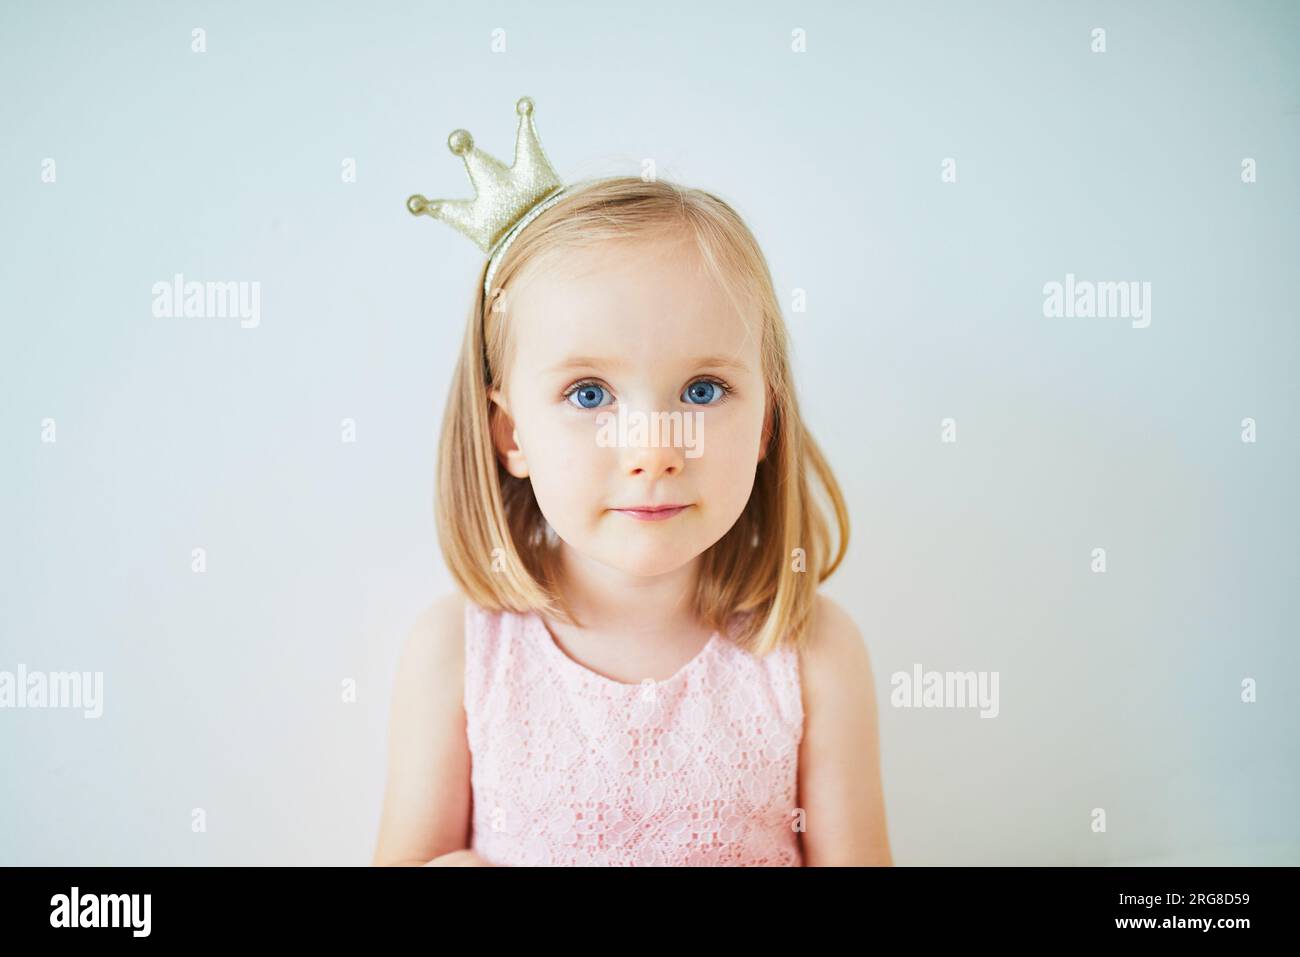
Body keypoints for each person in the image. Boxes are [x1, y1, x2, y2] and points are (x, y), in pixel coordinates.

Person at [372, 97, 890, 866]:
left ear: (766, 425)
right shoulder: (460, 652)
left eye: (703, 391)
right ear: (512, 433)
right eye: (590, 395)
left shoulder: (812, 654)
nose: (652, 449)